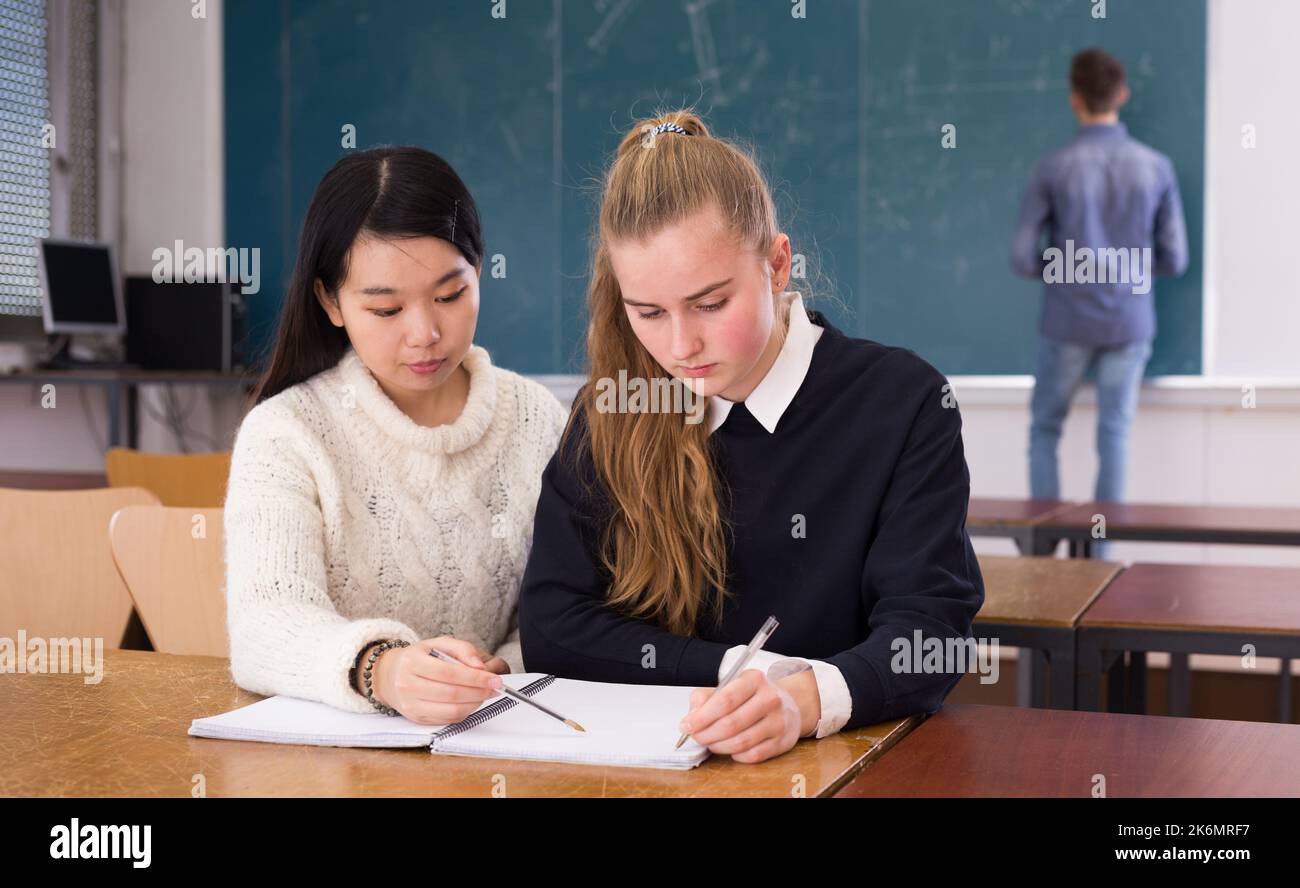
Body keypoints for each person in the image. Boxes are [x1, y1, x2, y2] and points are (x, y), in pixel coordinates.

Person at [519, 111, 984, 764]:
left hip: (846, 768)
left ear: (777, 265)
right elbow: (552, 626)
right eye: (648, 312)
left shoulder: (901, 402)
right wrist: (736, 669)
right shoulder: (612, 410)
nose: (680, 346)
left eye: (711, 304)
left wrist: (800, 701)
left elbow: (929, 635)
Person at [224, 146, 568, 723]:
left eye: (450, 295)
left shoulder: (537, 419)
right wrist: (382, 670)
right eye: (386, 309)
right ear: (330, 302)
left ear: (479, 271)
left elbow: (562, 608)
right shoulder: (286, 433)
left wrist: (499, 672)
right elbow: (264, 624)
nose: (425, 333)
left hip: (499, 736)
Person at [1013, 48, 1189, 557]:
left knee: (1046, 427)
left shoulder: (1053, 168)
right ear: (1122, 96)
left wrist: (1073, 269)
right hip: (1129, 323)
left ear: (1075, 100)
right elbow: (1175, 258)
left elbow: (1024, 257)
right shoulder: (1156, 167)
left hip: (1066, 321)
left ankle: (1041, 552)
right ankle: (1101, 557)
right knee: (1114, 434)